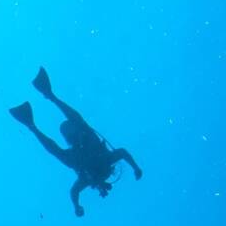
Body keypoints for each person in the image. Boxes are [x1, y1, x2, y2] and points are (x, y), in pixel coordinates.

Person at [9, 68, 141, 217]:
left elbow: (74, 191)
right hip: (84, 142)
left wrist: (77, 206)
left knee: (60, 148)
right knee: (79, 126)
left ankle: (33, 121)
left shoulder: (88, 177)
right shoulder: (104, 163)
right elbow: (122, 152)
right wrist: (136, 167)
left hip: (78, 151)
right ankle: (47, 100)